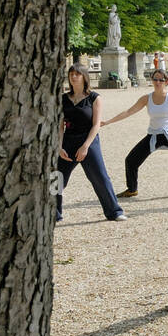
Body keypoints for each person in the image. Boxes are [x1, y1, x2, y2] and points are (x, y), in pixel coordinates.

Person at [97, 67, 168, 197]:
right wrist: (108, 121)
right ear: (152, 80)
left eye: (161, 80)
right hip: (153, 134)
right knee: (131, 160)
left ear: (166, 81)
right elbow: (129, 111)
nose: (158, 82)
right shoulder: (146, 98)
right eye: (155, 79)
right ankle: (132, 189)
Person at [56, 64, 126, 222]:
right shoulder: (63, 99)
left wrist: (85, 146)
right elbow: (60, 126)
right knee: (56, 177)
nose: (74, 77)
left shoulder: (94, 98)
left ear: (84, 77)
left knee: (100, 177)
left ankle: (114, 211)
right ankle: (53, 213)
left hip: (89, 140)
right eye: (71, 74)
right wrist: (59, 147)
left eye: (77, 74)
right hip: (68, 141)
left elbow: (96, 125)